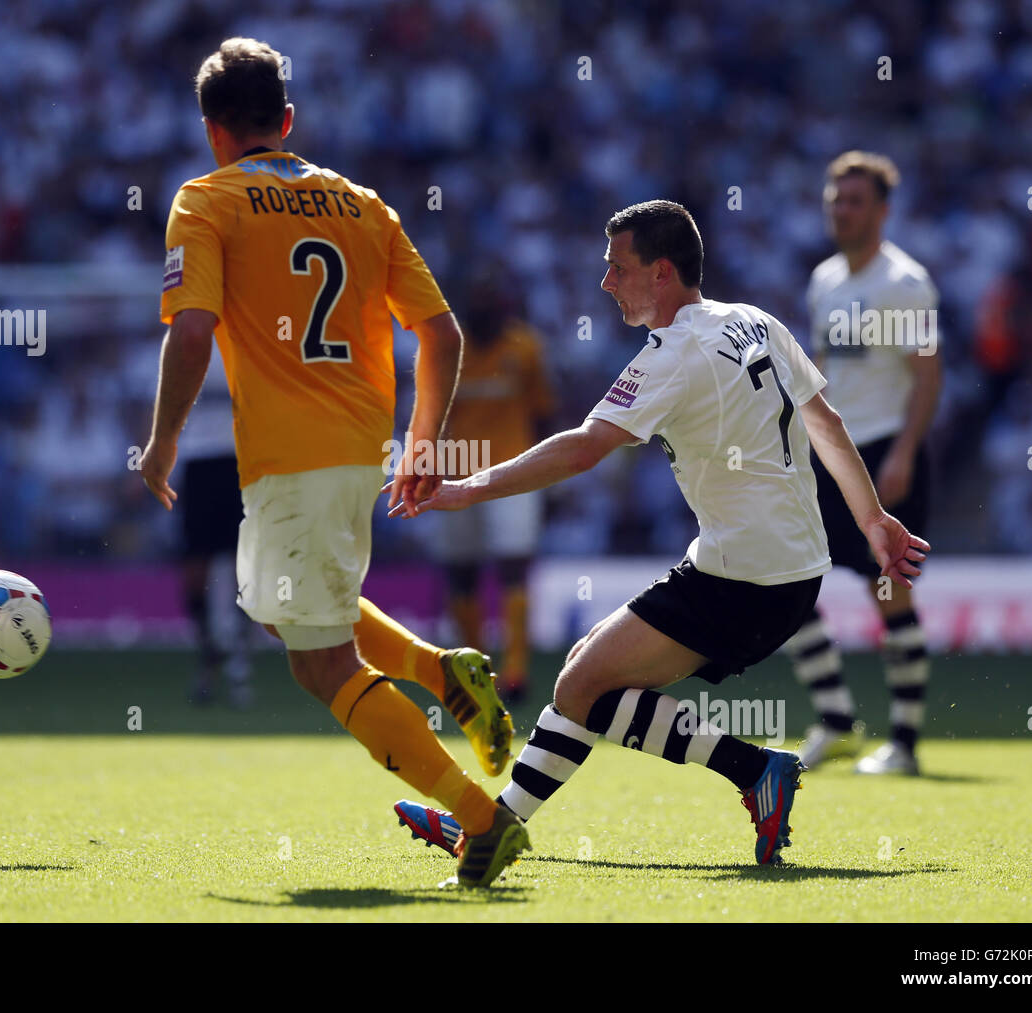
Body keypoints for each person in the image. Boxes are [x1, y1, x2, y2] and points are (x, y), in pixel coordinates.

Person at [391, 200, 928, 870]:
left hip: (743, 578)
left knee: (581, 683)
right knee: (590, 678)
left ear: (663, 273)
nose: (605, 282)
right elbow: (827, 422)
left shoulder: (676, 352)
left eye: (618, 267)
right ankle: (495, 822)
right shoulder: (755, 320)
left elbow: (584, 449)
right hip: (784, 570)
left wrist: (468, 487)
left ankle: (747, 769)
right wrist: (871, 517)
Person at [140, 37, 524, 887]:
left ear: (212, 131)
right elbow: (443, 333)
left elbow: (193, 328)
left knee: (319, 662)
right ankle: (439, 670)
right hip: (359, 451)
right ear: (287, 121)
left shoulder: (206, 200)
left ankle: (479, 817)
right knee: (291, 614)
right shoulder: (363, 204)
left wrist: (163, 437)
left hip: (288, 459)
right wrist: (420, 446)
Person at [785, 152, 942, 776]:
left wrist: (903, 453)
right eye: (835, 199)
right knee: (787, 580)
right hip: (832, 454)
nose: (841, 210)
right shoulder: (825, 279)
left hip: (884, 450)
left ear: (881, 210)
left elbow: (927, 377)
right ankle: (836, 720)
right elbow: (825, 376)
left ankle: (904, 742)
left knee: (889, 593)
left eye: (853, 201)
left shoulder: (902, 283)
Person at [430, 276, 555, 703]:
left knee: (512, 565)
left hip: (513, 471)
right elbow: (428, 415)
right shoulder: (449, 350)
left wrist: (546, 473)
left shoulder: (524, 348)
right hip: (454, 474)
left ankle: (516, 671)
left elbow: (543, 416)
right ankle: (476, 667)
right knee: (462, 571)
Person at [174, 355, 253, 708]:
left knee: (245, 568)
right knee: (195, 570)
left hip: (244, 459)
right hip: (197, 463)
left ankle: (239, 662)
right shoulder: (186, 334)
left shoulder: (251, 334)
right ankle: (209, 654)